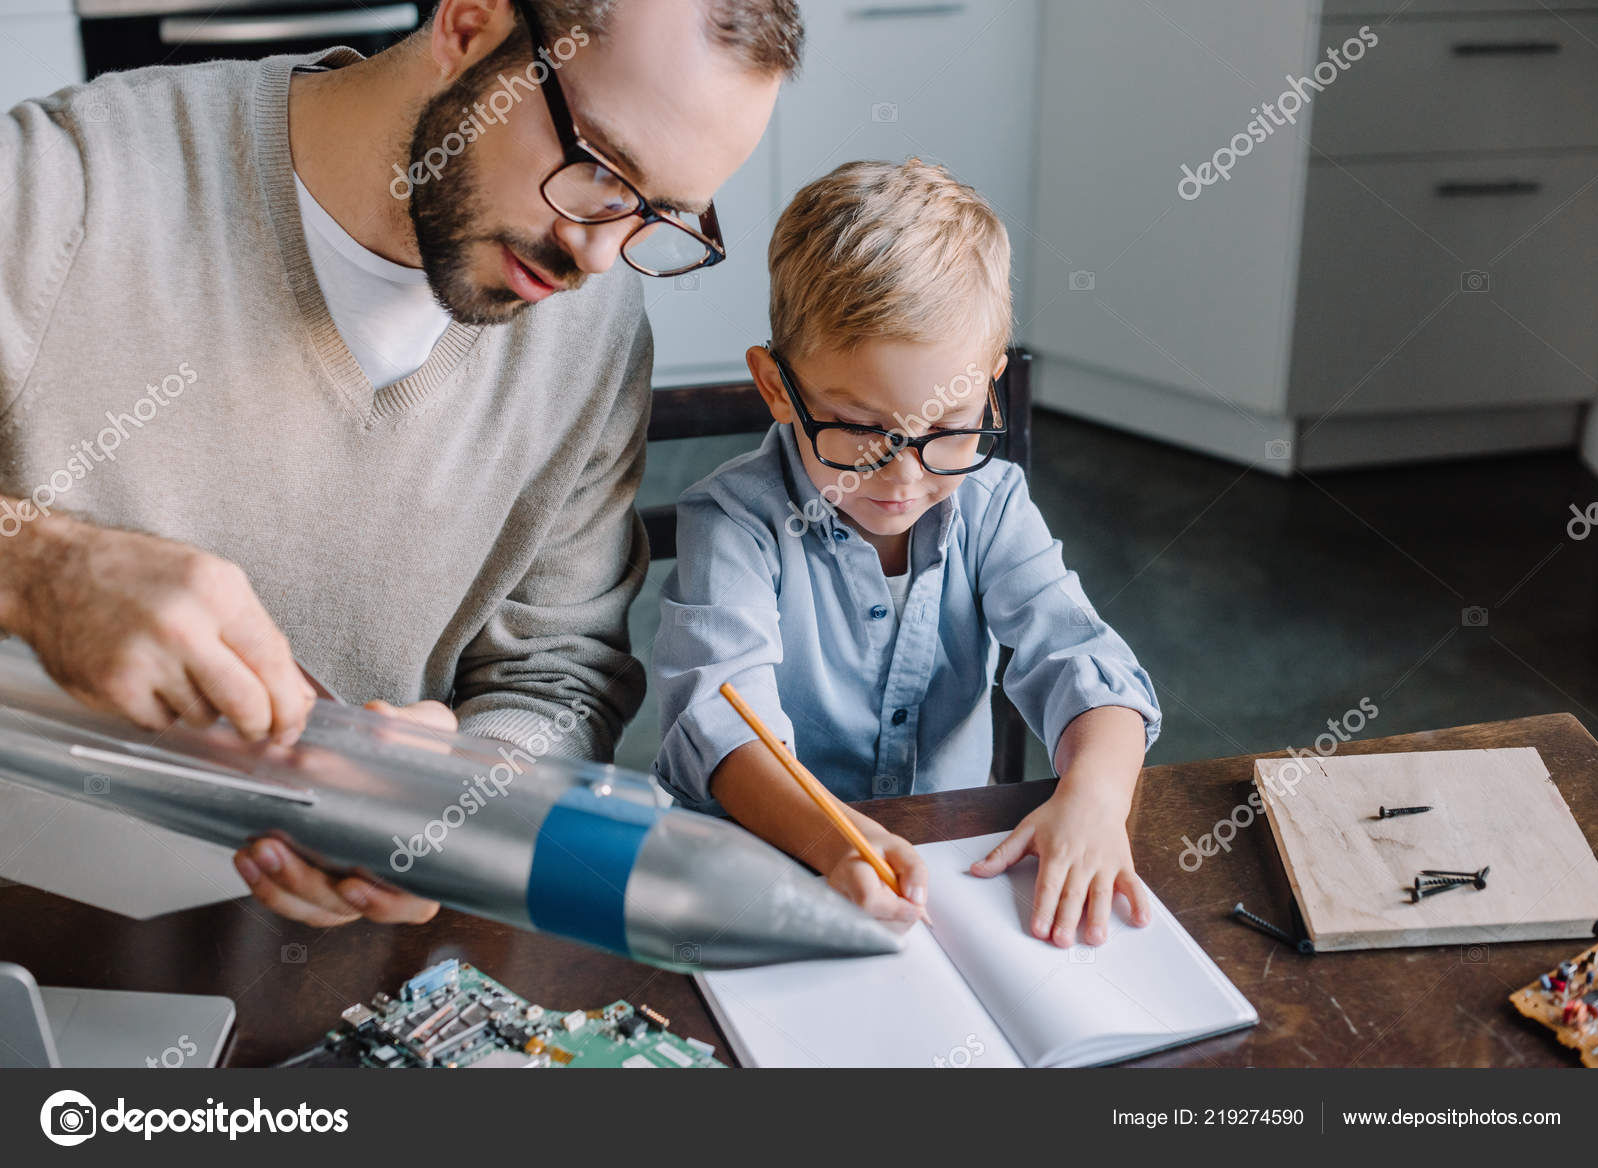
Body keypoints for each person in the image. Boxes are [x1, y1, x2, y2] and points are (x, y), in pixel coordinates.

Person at [0, 0, 802, 926]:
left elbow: (558, 673)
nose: (597, 251)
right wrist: (42, 569)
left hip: (358, 978)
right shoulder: (61, 190)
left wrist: (465, 803)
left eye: (661, 216)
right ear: (468, 24)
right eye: (600, 170)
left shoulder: (591, 335)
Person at [651, 159, 1162, 948]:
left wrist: (1092, 802)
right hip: (764, 868)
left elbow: (1086, 667)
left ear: (991, 390)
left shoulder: (992, 505)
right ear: (778, 387)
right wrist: (833, 842)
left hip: (951, 873)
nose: (905, 475)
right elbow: (721, 723)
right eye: (859, 428)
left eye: (948, 428)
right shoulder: (735, 523)